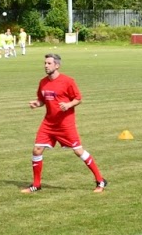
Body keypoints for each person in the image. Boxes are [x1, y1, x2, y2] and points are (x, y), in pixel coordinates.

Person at [23, 53, 105, 193]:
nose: (46, 66)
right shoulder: (43, 82)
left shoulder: (68, 81)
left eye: (49, 63)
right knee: (36, 149)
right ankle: (36, 185)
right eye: (45, 63)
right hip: (48, 123)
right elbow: (42, 100)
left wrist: (68, 105)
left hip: (65, 124)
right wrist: (37, 103)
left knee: (78, 151)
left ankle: (100, 181)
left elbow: (78, 99)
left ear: (57, 65)